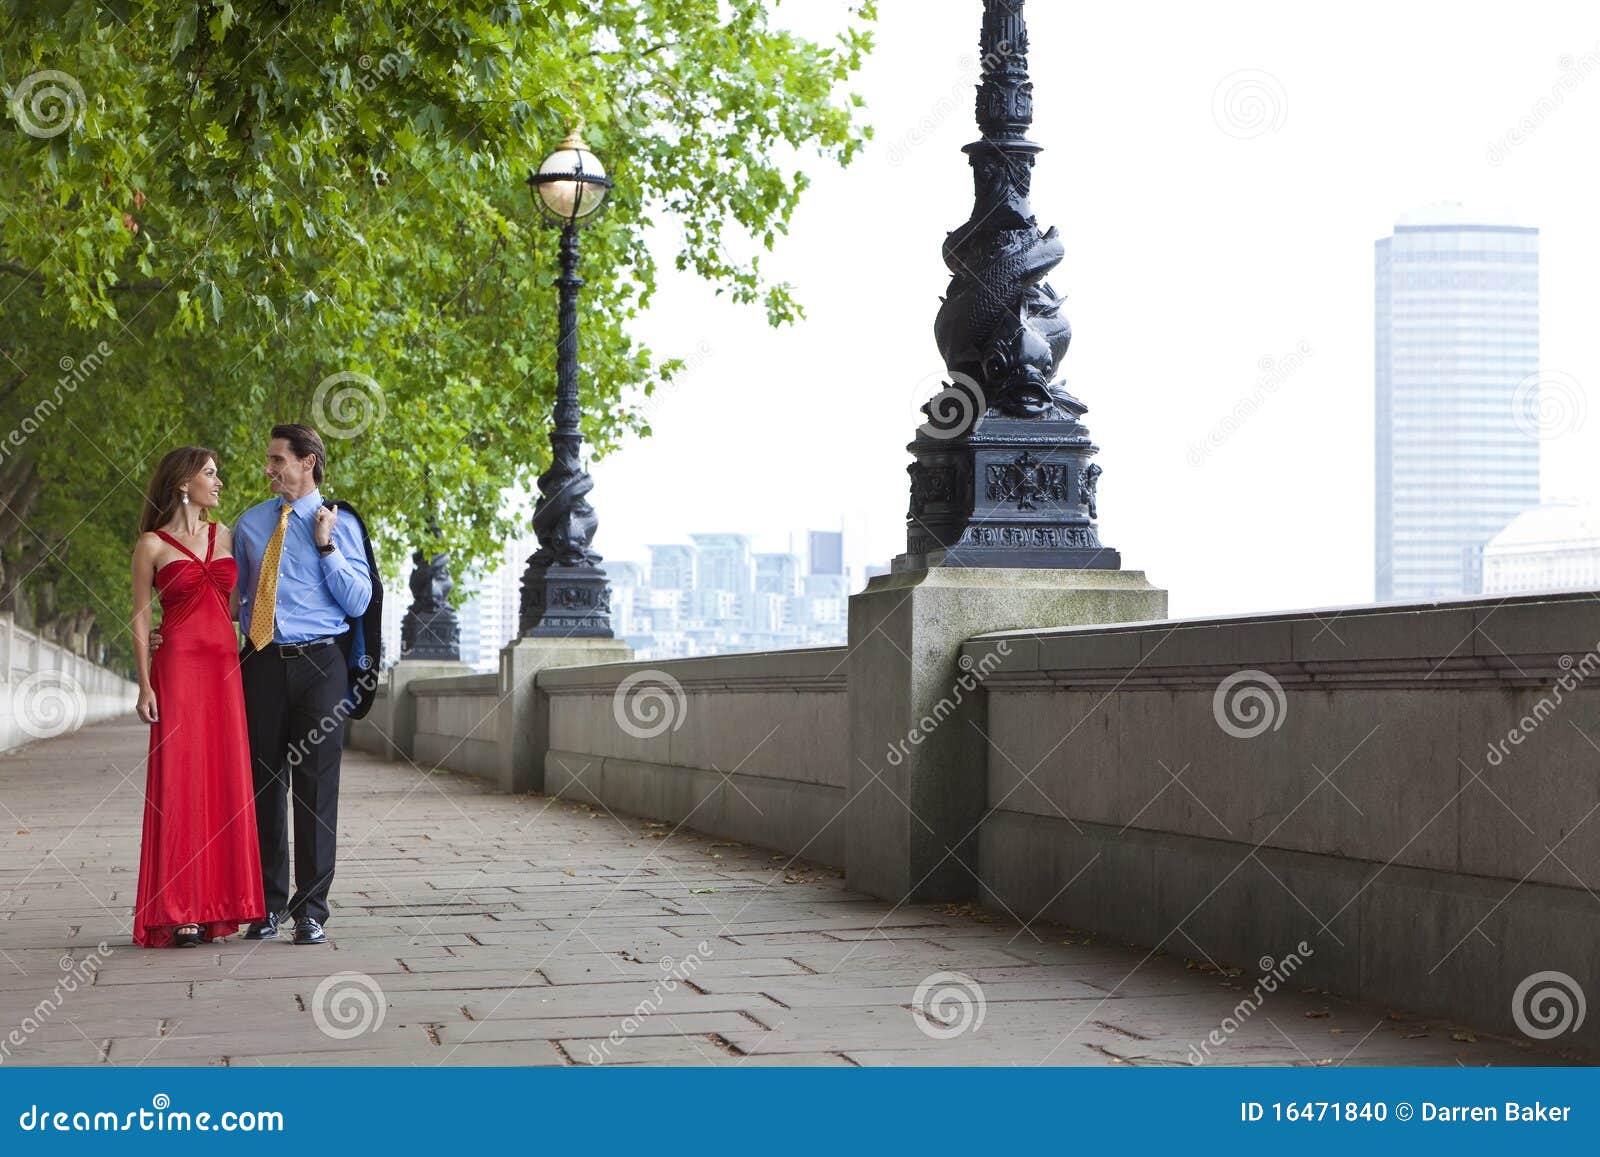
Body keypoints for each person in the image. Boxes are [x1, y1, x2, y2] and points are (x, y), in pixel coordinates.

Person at [233, 424, 371, 946]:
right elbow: (236, 600)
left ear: (307, 461)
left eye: (276, 459)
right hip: (262, 663)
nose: (268, 468)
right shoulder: (249, 525)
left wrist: (327, 546)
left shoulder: (339, 523)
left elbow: (358, 601)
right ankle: (265, 906)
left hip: (320, 664)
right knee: (264, 786)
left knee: (315, 788)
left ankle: (310, 910)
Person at [130, 447, 264, 947]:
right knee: (181, 782)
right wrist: (144, 683)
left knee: (224, 779)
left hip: (225, 671)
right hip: (179, 670)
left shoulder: (229, 535)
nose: (220, 482)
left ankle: (222, 906)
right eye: (211, 473)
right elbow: (141, 619)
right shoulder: (151, 545)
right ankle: (182, 909)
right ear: (184, 482)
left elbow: (237, 606)